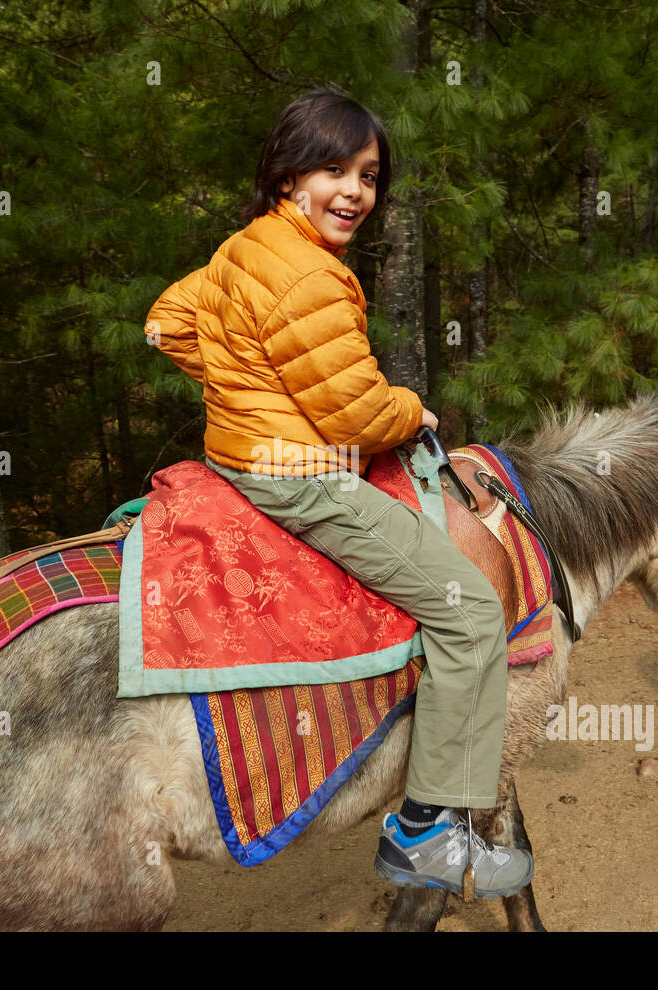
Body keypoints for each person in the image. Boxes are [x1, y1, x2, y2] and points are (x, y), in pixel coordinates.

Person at [145, 87, 532, 898]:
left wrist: (244, 387)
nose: (354, 190)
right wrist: (416, 410)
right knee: (467, 609)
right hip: (302, 479)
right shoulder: (312, 275)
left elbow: (166, 321)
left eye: (368, 174)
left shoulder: (243, 248)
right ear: (290, 176)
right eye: (333, 168)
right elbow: (354, 412)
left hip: (239, 457)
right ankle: (426, 828)